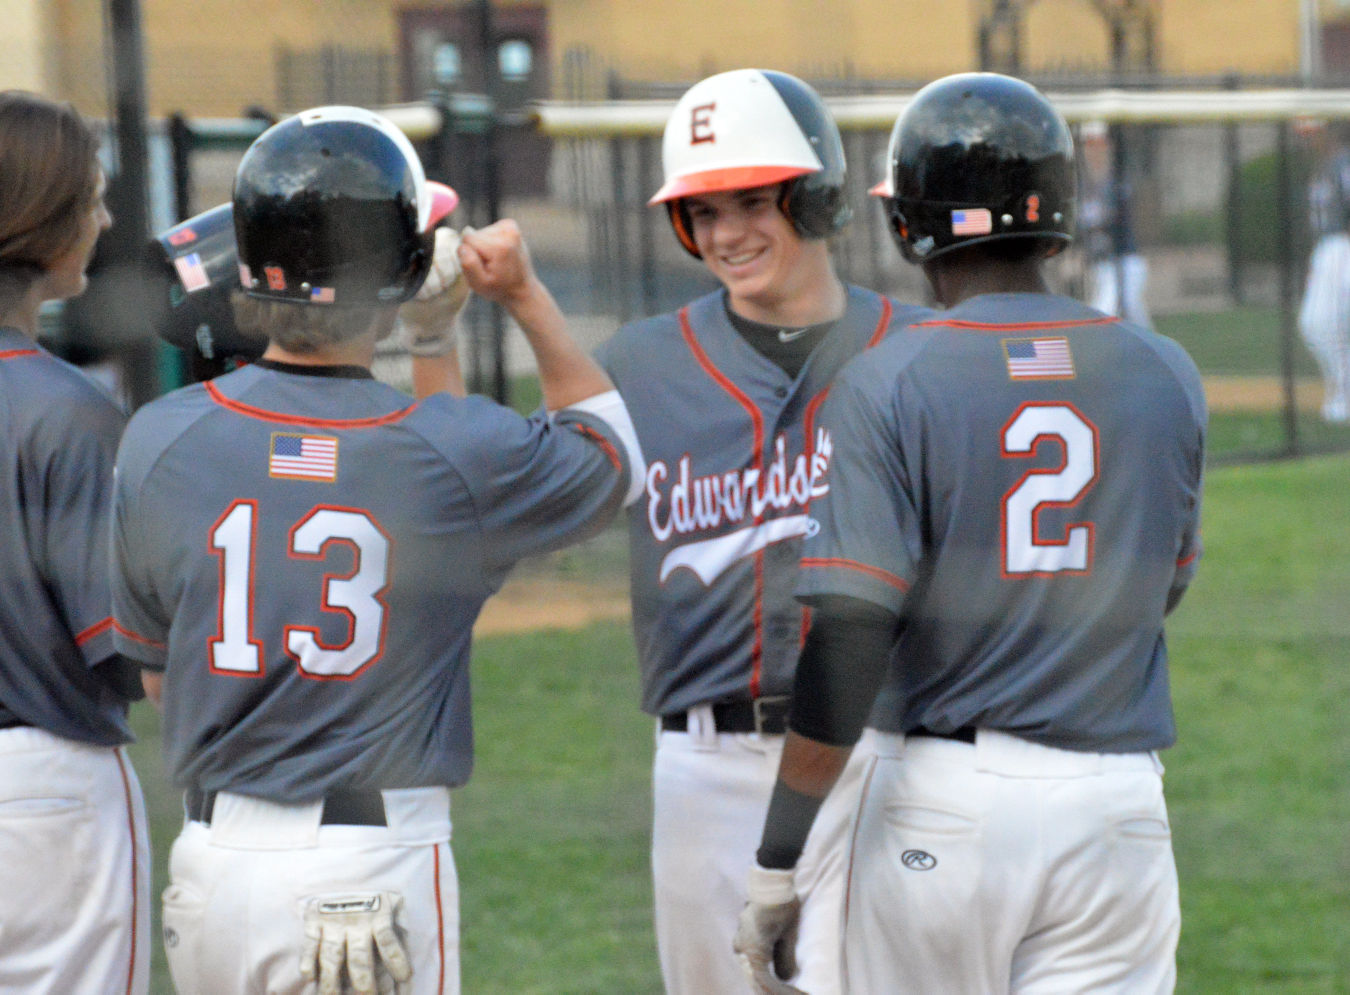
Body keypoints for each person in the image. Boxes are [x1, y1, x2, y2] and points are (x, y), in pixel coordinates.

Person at [110, 105, 643, 995]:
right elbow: (612, 451)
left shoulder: (158, 438)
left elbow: (158, 677)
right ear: (399, 272)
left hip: (210, 874)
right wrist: (520, 294)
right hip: (363, 879)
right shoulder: (446, 450)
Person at [735, 72, 1206, 994]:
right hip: (1117, 808)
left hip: (944, 808)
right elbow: (1165, 585)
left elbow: (852, 631)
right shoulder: (1165, 369)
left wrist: (777, 859)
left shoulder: (890, 375)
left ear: (908, 222)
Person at [593, 68, 933, 995]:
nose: (726, 234)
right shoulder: (640, 361)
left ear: (815, 197)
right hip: (705, 764)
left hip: (883, 755)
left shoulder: (918, 348)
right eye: (703, 212)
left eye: (752, 201)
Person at [0, 90, 152, 994]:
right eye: (91, 199)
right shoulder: (71, 412)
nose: (102, 220)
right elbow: (127, 655)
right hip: (43, 793)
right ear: (48, 226)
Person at [1296, 118, 1350, 424]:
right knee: (1319, 325)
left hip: (1341, 247)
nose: (1308, 140)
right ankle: (1342, 393)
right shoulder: (1323, 166)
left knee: (1325, 325)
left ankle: (1343, 396)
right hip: (1328, 250)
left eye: (1313, 133)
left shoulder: (1343, 163)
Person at [1079, 119, 1153, 330]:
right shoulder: (1083, 183)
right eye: (1089, 143)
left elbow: (1114, 220)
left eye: (1099, 142)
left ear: (1108, 145)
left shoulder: (1117, 179)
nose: (1094, 149)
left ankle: (1154, 352)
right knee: (1135, 321)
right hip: (1100, 266)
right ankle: (1153, 352)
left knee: (1106, 313)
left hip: (1126, 263)